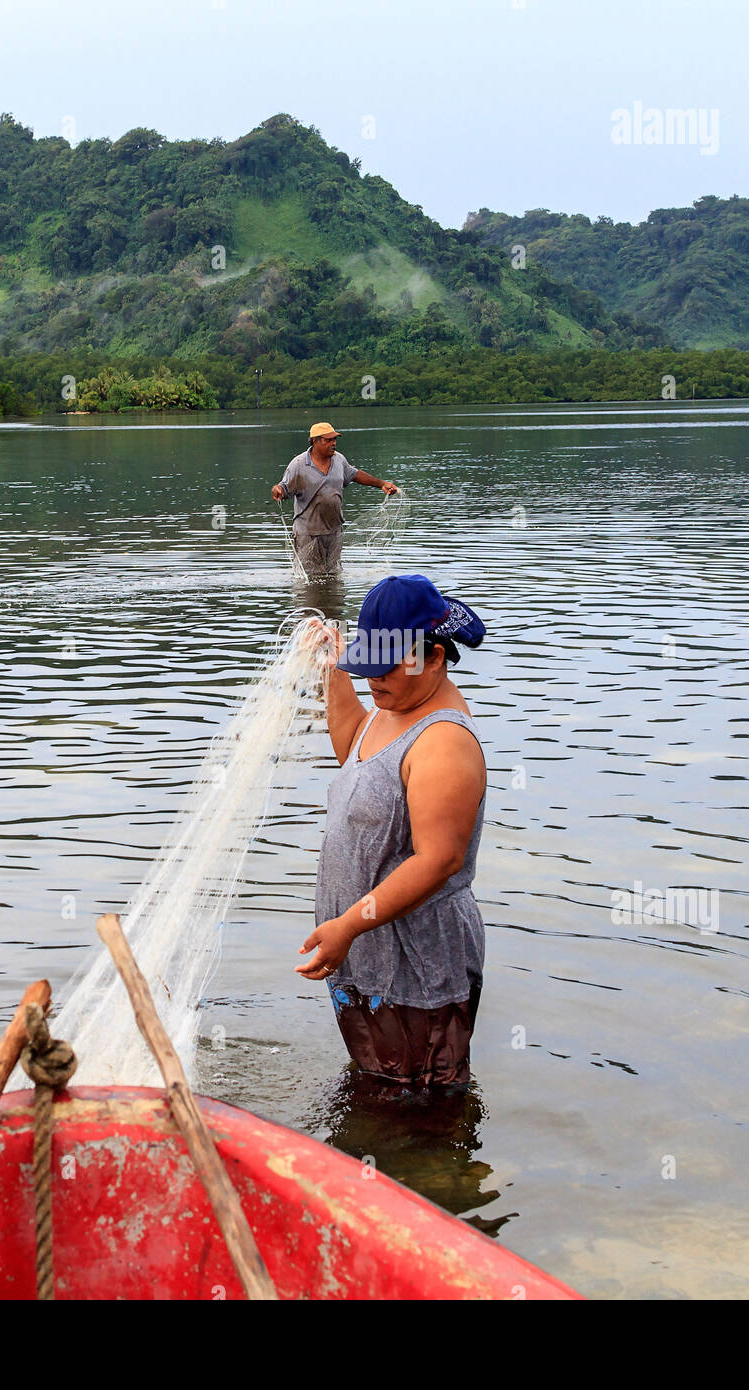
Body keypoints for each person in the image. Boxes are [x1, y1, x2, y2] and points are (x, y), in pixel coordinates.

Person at [296, 574, 488, 1089]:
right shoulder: (393, 706)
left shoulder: (443, 741)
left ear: (434, 658)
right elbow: (356, 756)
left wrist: (349, 926)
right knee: (380, 1088)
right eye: (366, 666)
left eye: (385, 668)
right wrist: (333, 671)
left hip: (417, 967)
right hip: (368, 955)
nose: (372, 680)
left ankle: (436, 1171)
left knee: (424, 1105)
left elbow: (438, 860)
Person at [271, 422, 398, 576]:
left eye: (335, 439)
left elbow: (354, 474)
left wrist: (382, 484)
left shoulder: (339, 460)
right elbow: (283, 488)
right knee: (310, 578)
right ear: (314, 441)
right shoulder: (298, 465)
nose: (334, 443)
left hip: (334, 531)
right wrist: (278, 490)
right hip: (308, 533)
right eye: (328, 440)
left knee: (334, 576)